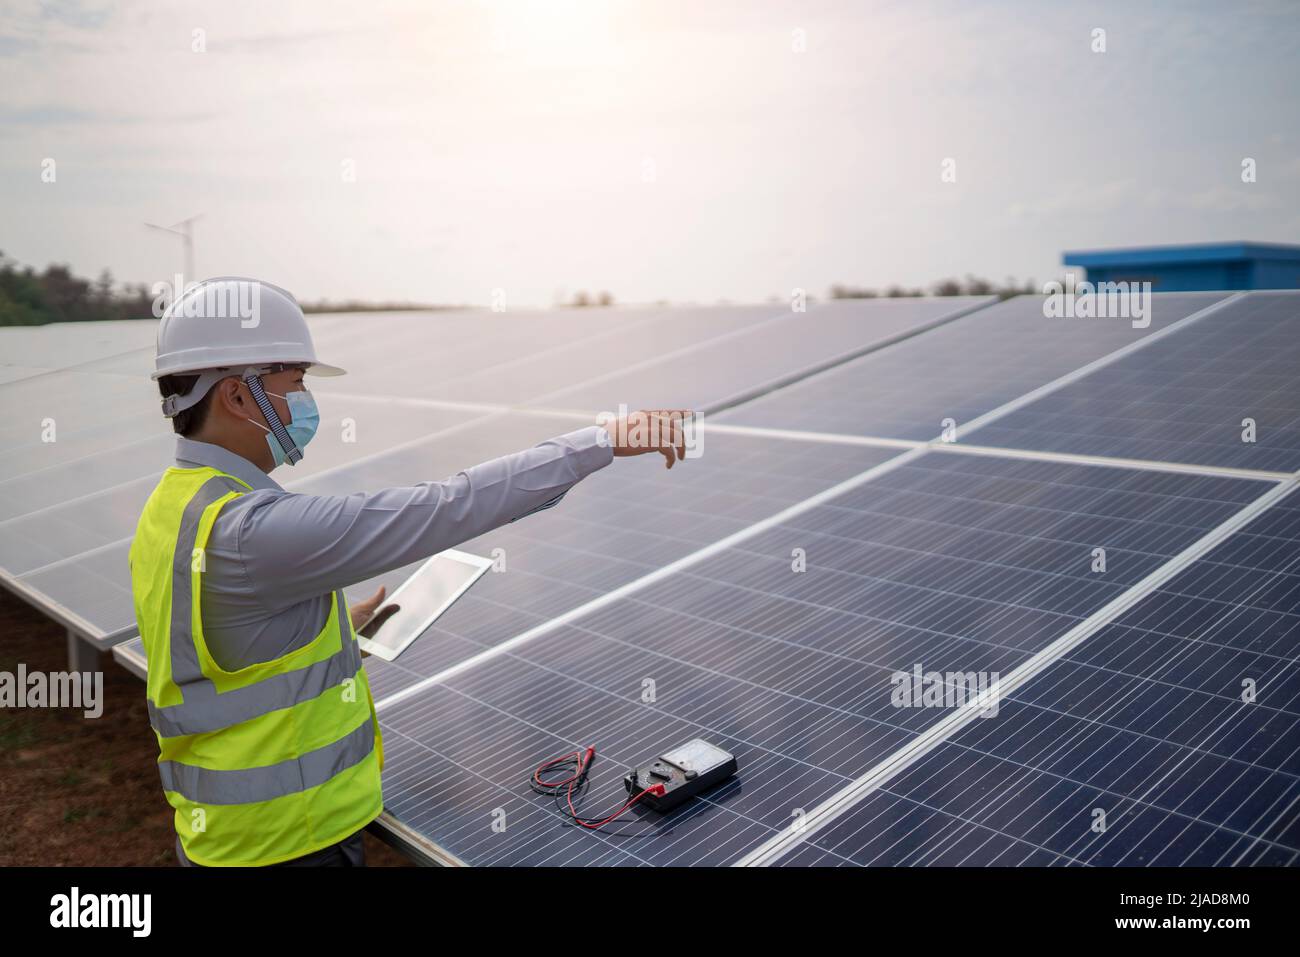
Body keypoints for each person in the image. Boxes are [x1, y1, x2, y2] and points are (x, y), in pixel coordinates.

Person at [128, 277, 690, 867]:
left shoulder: (172, 507)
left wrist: (329, 628)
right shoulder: (251, 532)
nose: (305, 403)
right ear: (239, 398)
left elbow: (209, 645)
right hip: (290, 844)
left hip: (230, 837)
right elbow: (449, 506)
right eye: (294, 385)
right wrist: (601, 441)